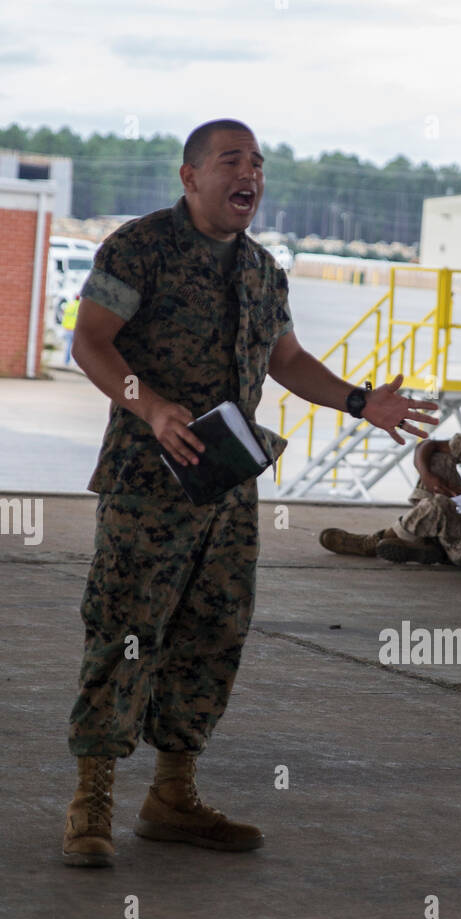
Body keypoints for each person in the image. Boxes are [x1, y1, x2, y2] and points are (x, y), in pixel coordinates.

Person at [63, 118, 436, 869]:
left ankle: (172, 795)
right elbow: (89, 340)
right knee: (127, 629)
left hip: (227, 489)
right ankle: (91, 798)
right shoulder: (139, 248)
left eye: (259, 165)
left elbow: (287, 360)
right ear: (189, 176)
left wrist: (361, 401)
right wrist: (151, 404)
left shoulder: (264, 271)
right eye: (232, 160)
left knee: (214, 631)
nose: (250, 175)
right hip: (148, 482)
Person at [318, 401, 461, 567]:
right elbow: (427, 445)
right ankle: (427, 541)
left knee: (440, 504)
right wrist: (427, 476)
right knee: (436, 460)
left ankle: (373, 542)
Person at [62, 295, 80, 366]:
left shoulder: (69, 305)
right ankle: (76, 362)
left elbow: (64, 313)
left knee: (68, 345)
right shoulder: (79, 306)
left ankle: (66, 361)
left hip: (67, 327)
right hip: (75, 329)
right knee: (76, 346)